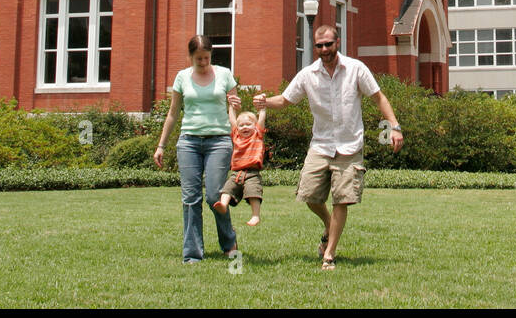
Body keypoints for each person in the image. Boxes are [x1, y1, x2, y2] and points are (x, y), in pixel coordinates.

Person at [255, 24, 403, 270]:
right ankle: (328, 224)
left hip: (349, 145)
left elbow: (379, 98)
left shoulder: (356, 69)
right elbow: (284, 100)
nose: (324, 49)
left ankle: (329, 254)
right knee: (309, 196)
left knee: (341, 200)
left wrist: (394, 127)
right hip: (321, 145)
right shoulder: (308, 74)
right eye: (319, 46)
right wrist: (264, 102)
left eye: (328, 44)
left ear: (338, 43)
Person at [154, 35, 241, 263]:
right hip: (189, 142)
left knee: (214, 195)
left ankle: (229, 243)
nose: (202, 62)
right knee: (190, 198)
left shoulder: (224, 74)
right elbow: (173, 113)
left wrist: (239, 130)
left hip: (219, 141)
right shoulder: (182, 77)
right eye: (198, 59)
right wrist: (161, 145)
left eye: (206, 58)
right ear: (190, 56)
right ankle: (192, 254)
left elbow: (233, 112)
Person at [212, 103, 266, 226]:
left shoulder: (257, 134)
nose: (244, 127)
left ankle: (255, 216)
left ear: (255, 125)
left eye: (248, 124)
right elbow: (232, 120)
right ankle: (223, 206)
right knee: (227, 189)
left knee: (254, 193)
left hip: (252, 173)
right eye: (241, 125)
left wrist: (263, 108)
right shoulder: (236, 136)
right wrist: (231, 107)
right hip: (236, 173)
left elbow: (261, 120)